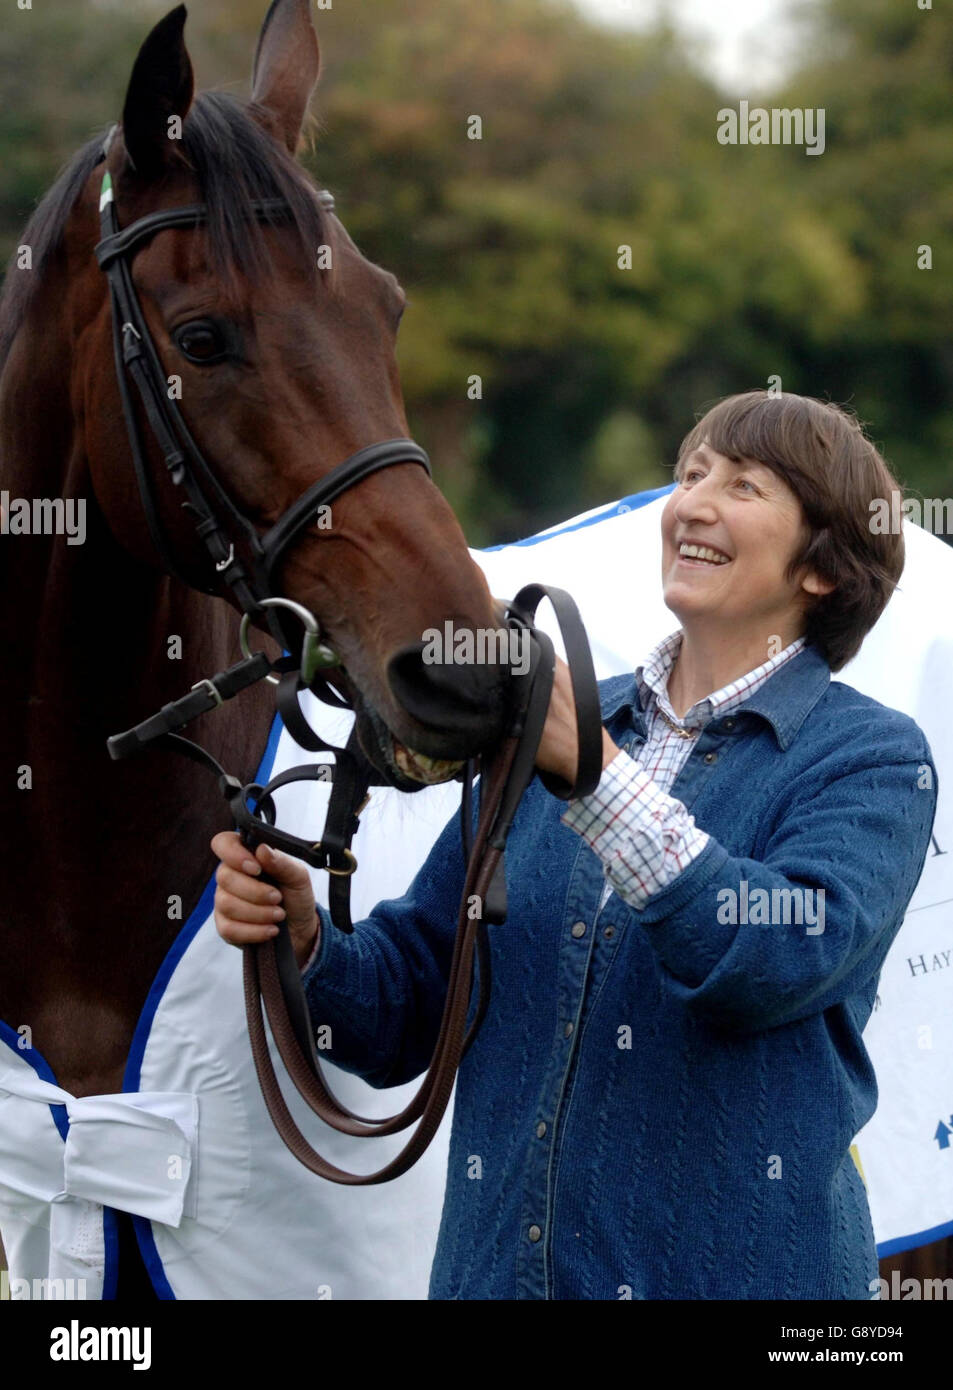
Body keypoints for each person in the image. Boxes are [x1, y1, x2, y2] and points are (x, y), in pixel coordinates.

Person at [212, 389, 938, 1300]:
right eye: (690, 474)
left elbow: (771, 957)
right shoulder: (559, 727)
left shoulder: (872, 758)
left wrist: (592, 774)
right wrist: (308, 939)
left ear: (823, 567)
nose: (693, 503)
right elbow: (407, 1011)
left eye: (744, 486)